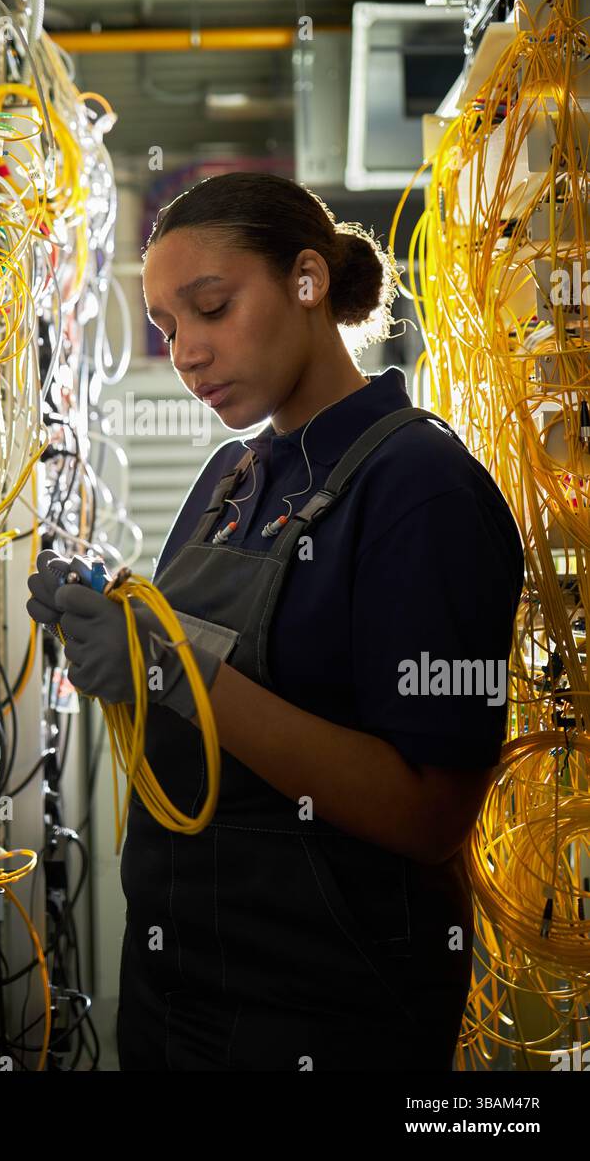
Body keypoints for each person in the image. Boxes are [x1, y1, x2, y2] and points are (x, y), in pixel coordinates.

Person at [27, 171, 525, 1072]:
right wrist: (110, 631)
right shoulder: (231, 480)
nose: (184, 353)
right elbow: (185, 693)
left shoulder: (422, 490)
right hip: (177, 985)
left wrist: (175, 668)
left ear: (307, 281)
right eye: (169, 328)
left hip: (327, 1012)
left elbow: (430, 815)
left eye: (211, 308)